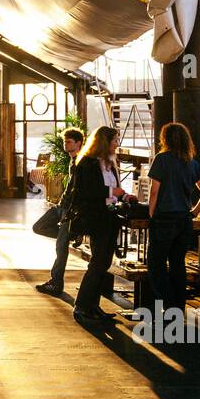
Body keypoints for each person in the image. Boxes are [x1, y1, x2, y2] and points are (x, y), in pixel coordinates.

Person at [147, 122, 200, 314]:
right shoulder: (191, 163)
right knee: (177, 264)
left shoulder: (161, 159)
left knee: (155, 264)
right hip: (184, 220)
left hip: (164, 218)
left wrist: (152, 214)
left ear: (165, 139)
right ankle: (178, 306)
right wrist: (194, 212)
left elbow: (154, 191)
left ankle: (167, 304)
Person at [70, 126, 129, 328]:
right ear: (105, 142)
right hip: (96, 219)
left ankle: (93, 306)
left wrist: (123, 195)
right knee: (98, 263)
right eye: (114, 141)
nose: (117, 144)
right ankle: (82, 306)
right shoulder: (87, 164)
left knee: (103, 263)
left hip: (109, 218)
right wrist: (115, 191)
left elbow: (111, 192)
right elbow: (87, 191)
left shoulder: (108, 164)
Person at [35, 127, 85, 296]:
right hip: (61, 206)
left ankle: (56, 283)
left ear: (79, 143)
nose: (66, 144)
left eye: (69, 142)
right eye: (65, 141)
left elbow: (79, 190)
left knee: (60, 247)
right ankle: (70, 235)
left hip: (68, 209)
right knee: (39, 226)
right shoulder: (72, 161)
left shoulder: (81, 162)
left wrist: (73, 211)